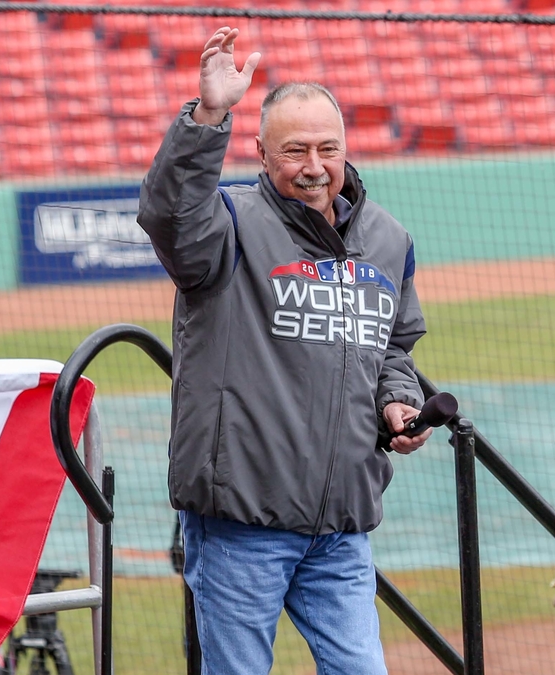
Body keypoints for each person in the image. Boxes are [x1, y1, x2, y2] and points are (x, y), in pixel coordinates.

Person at [137, 27, 432, 675]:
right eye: (294, 150)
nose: (314, 165)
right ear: (263, 155)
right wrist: (208, 116)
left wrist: (398, 400)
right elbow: (168, 214)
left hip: (341, 526)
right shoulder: (228, 224)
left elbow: (394, 347)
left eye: (328, 147)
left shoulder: (387, 238)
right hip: (241, 524)